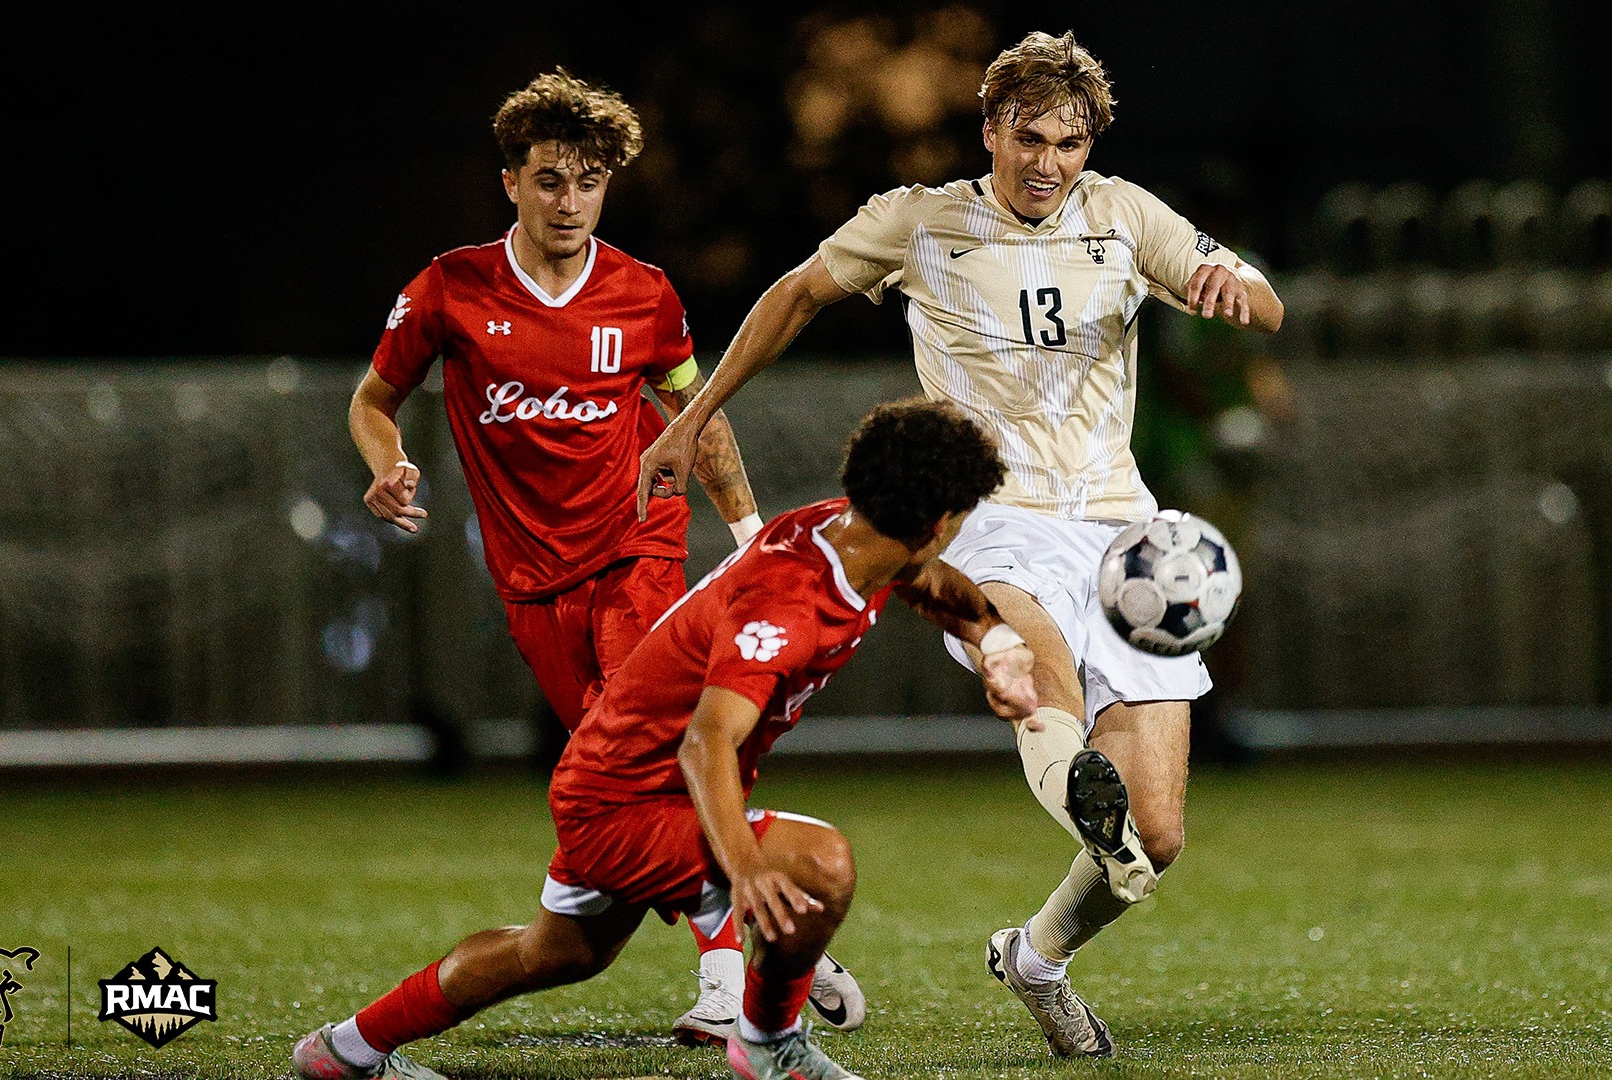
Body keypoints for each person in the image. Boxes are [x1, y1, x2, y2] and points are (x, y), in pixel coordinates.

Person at [636, 31, 1283, 1059]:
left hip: (1125, 539)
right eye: (1028, 138)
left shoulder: (1126, 217)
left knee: (1153, 839)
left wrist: (1233, 294)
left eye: (1069, 143)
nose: (1047, 162)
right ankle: (1073, 783)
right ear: (990, 130)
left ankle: (1036, 957)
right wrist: (693, 414)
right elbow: (795, 296)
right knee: (1039, 675)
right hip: (991, 523)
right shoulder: (921, 221)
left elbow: (1264, 300)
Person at [296, 400, 1037, 1080]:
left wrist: (997, 646)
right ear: (941, 518)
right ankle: (769, 1042)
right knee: (821, 865)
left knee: (553, 954)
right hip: (627, 801)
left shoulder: (854, 530)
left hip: (611, 776)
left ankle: (345, 1050)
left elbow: (932, 582)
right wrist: (741, 871)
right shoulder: (790, 600)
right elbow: (707, 741)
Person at [346, 65, 859, 1047]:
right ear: (511, 182)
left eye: (587, 180)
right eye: (548, 178)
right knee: (620, 781)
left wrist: (748, 536)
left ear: (607, 183)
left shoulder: (642, 295)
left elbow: (694, 418)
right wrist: (390, 461)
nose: (568, 199)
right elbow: (373, 399)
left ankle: (729, 977)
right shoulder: (450, 290)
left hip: (637, 553)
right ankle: (746, 915)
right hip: (533, 585)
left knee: (659, 748)